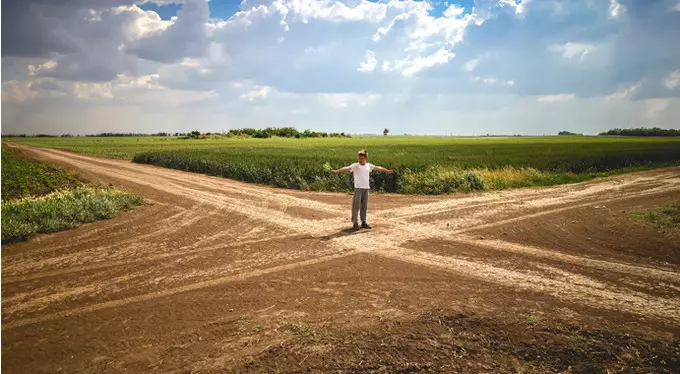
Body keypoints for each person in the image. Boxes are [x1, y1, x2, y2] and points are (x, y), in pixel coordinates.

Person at [331, 149, 393, 231]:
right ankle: (355, 223)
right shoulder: (356, 165)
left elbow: (378, 167)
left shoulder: (368, 165)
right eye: (359, 158)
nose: (360, 160)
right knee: (356, 206)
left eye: (362, 158)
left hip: (366, 188)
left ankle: (363, 222)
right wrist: (337, 171)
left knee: (364, 206)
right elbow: (347, 168)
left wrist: (386, 170)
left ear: (366, 158)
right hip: (358, 188)